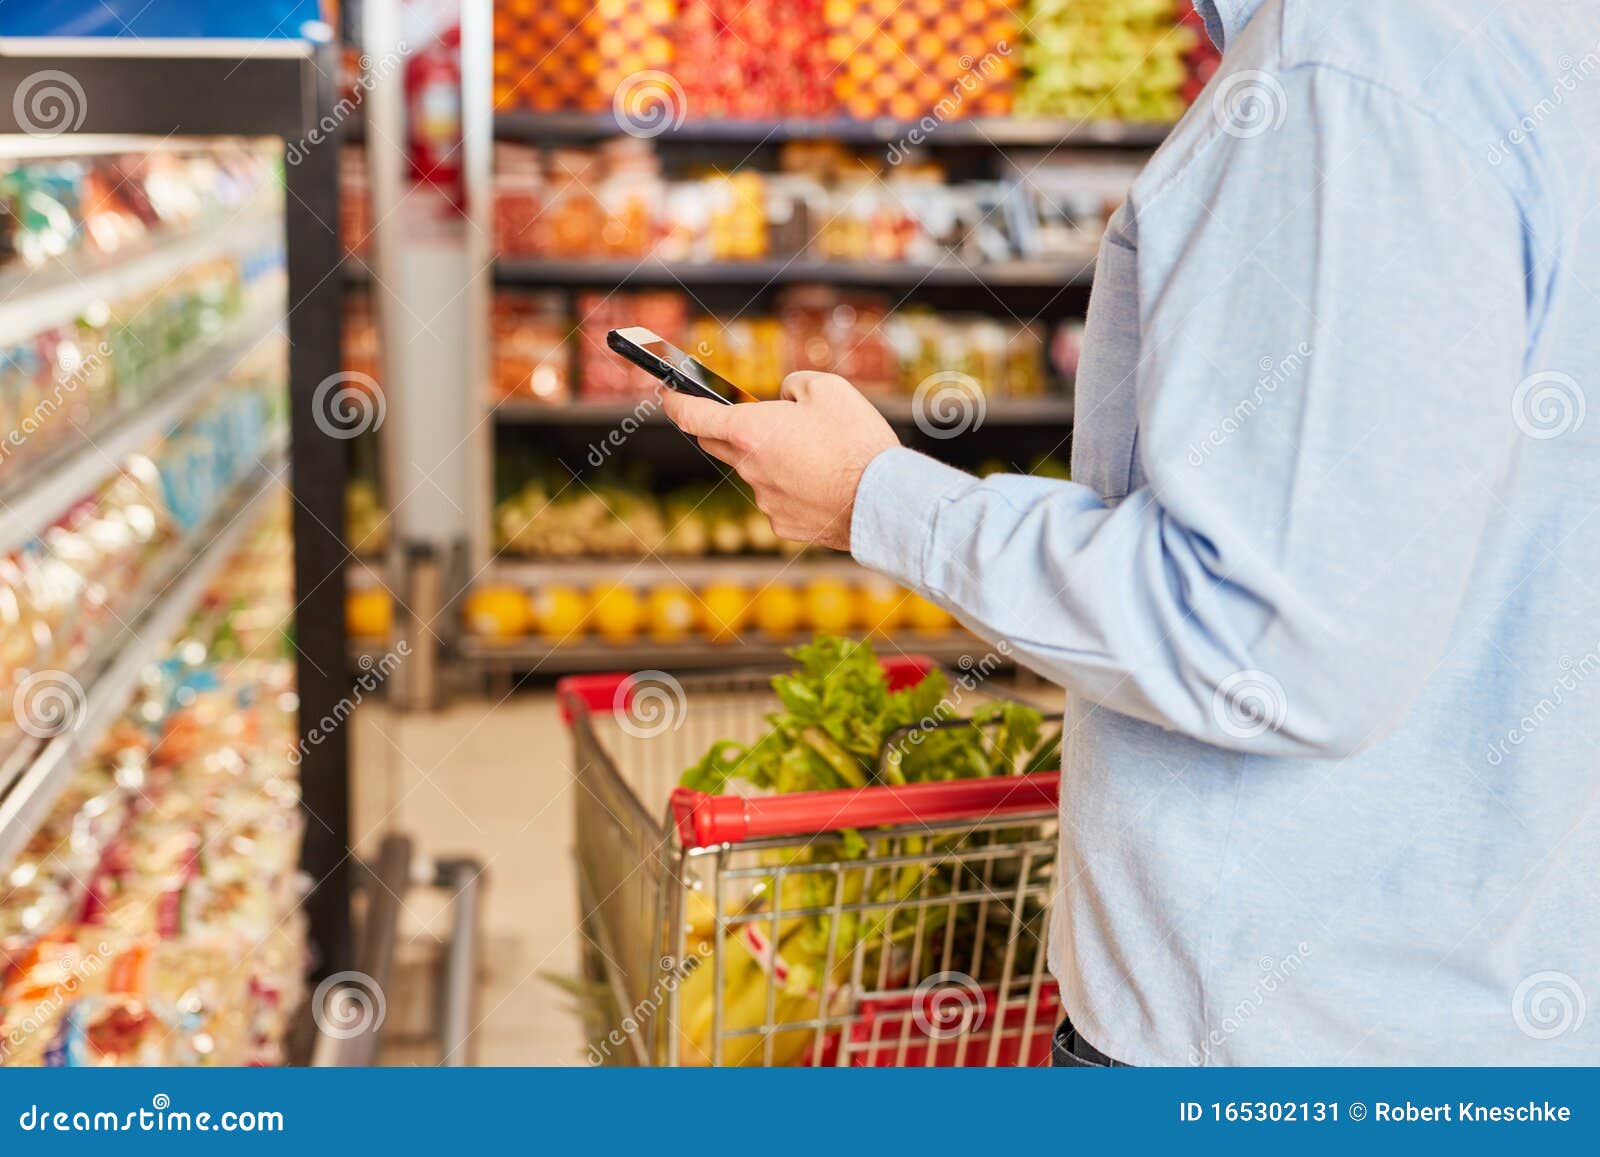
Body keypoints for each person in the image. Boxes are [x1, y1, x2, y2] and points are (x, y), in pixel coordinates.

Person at [661, 0, 1600, 1066]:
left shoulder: (1350, 62)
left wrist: (874, 498)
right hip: (1488, 989)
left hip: (1279, 1038)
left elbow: (1263, 638)